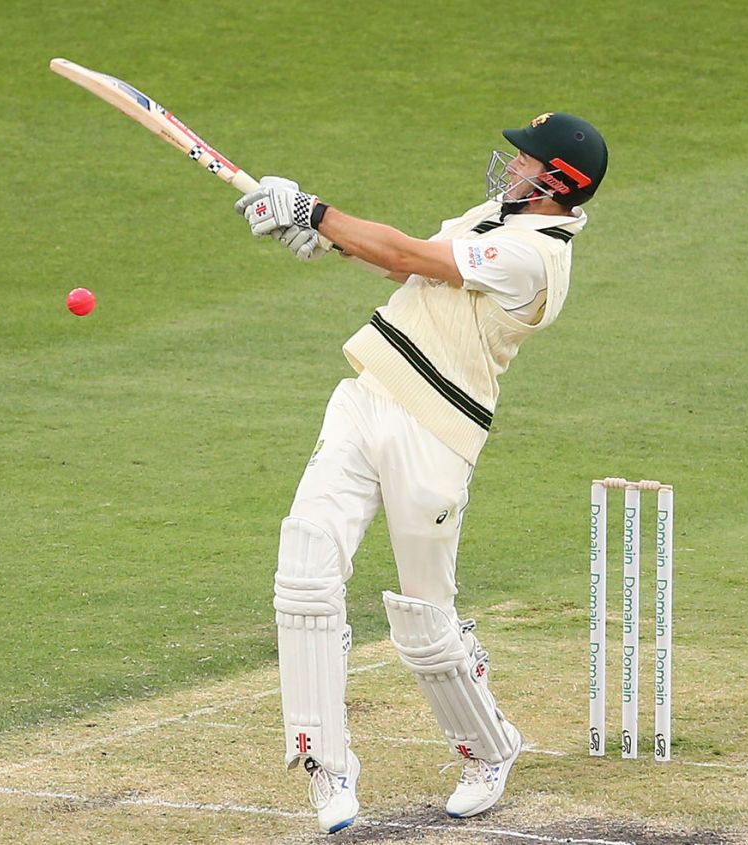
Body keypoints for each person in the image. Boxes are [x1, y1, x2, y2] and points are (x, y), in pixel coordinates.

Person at [234, 112, 608, 834]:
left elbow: (419, 254)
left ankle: (490, 748)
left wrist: (314, 209)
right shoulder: (495, 215)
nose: (513, 167)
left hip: (437, 430)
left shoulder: (539, 258)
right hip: (366, 396)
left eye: (527, 160)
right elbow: (407, 261)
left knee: (424, 621)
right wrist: (319, 237)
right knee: (305, 573)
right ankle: (326, 768)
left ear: (560, 182)